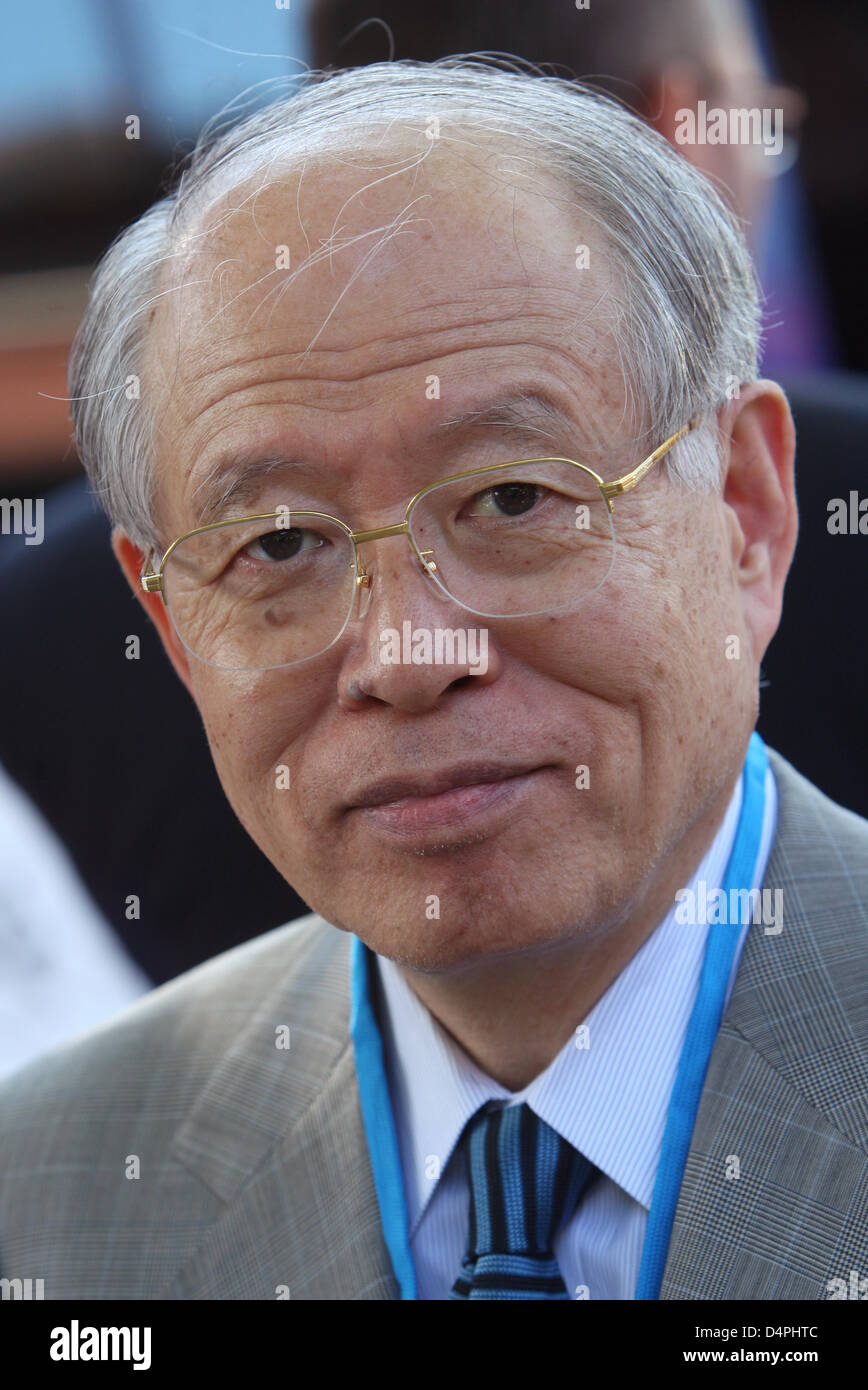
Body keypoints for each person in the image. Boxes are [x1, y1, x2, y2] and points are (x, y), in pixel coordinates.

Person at [0, 60, 864, 1302]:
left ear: (744, 510)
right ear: (175, 627)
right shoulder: (52, 1198)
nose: (407, 655)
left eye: (514, 498)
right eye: (280, 545)